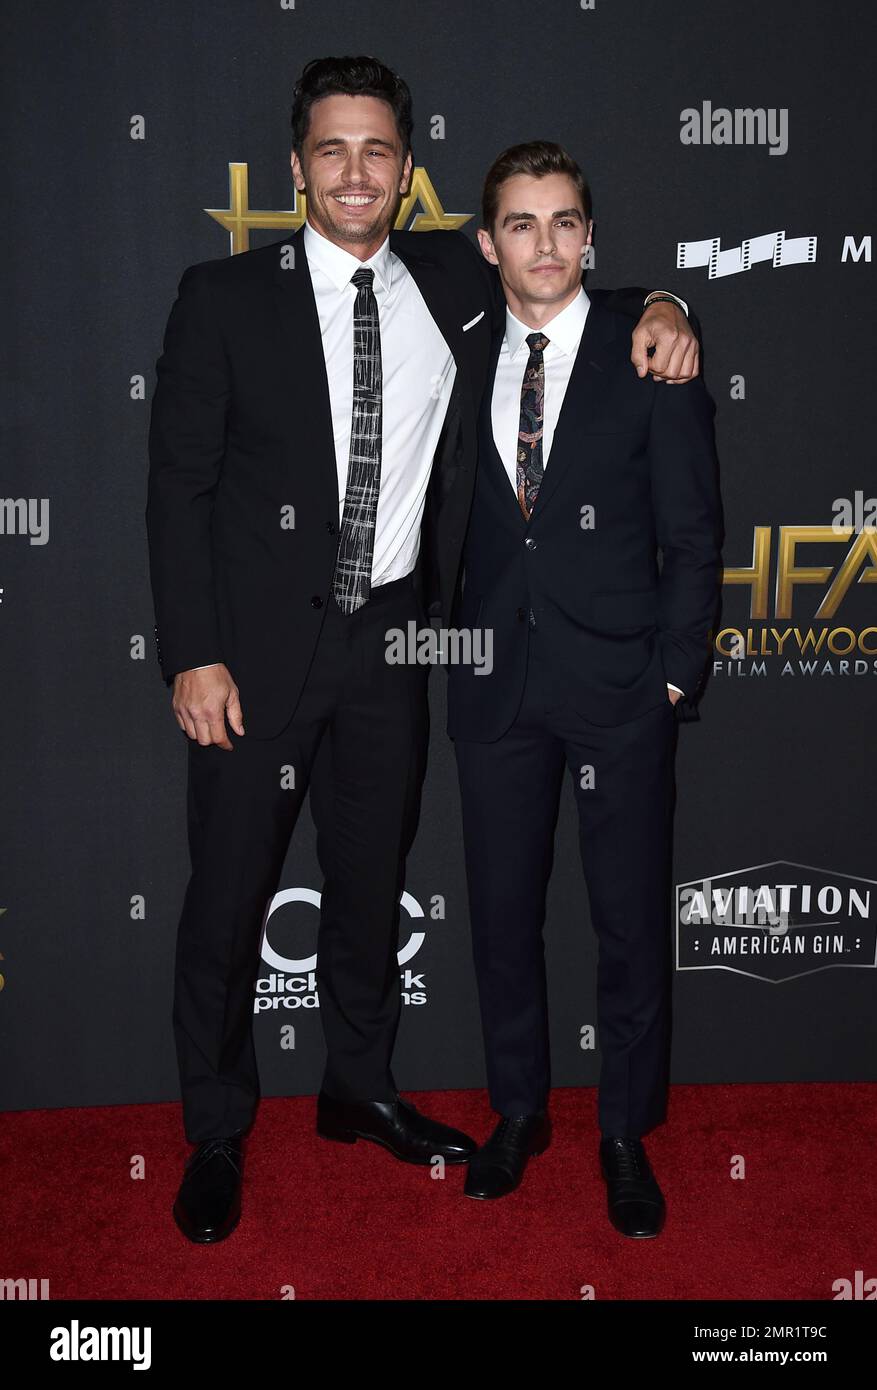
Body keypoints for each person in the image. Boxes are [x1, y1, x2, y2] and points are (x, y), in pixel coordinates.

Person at [146, 57, 699, 1244]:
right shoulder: (220, 295)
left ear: (408, 171)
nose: (357, 173)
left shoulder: (454, 271)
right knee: (227, 899)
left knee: (365, 884)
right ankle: (216, 1127)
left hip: (397, 642)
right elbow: (177, 490)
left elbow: (569, 280)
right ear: (296, 168)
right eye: (334, 150)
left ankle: (358, 1086)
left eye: (380, 152)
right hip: (249, 658)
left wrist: (672, 308)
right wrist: (192, 652)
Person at [447, 142, 723, 1236]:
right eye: (521, 224)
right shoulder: (457, 347)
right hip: (494, 690)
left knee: (626, 925)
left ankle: (622, 1132)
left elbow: (694, 534)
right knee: (502, 922)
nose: (545, 244)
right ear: (487, 243)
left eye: (565, 222)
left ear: (590, 235)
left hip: (620, 687)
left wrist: (673, 674)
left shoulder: (648, 352)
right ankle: (517, 1112)